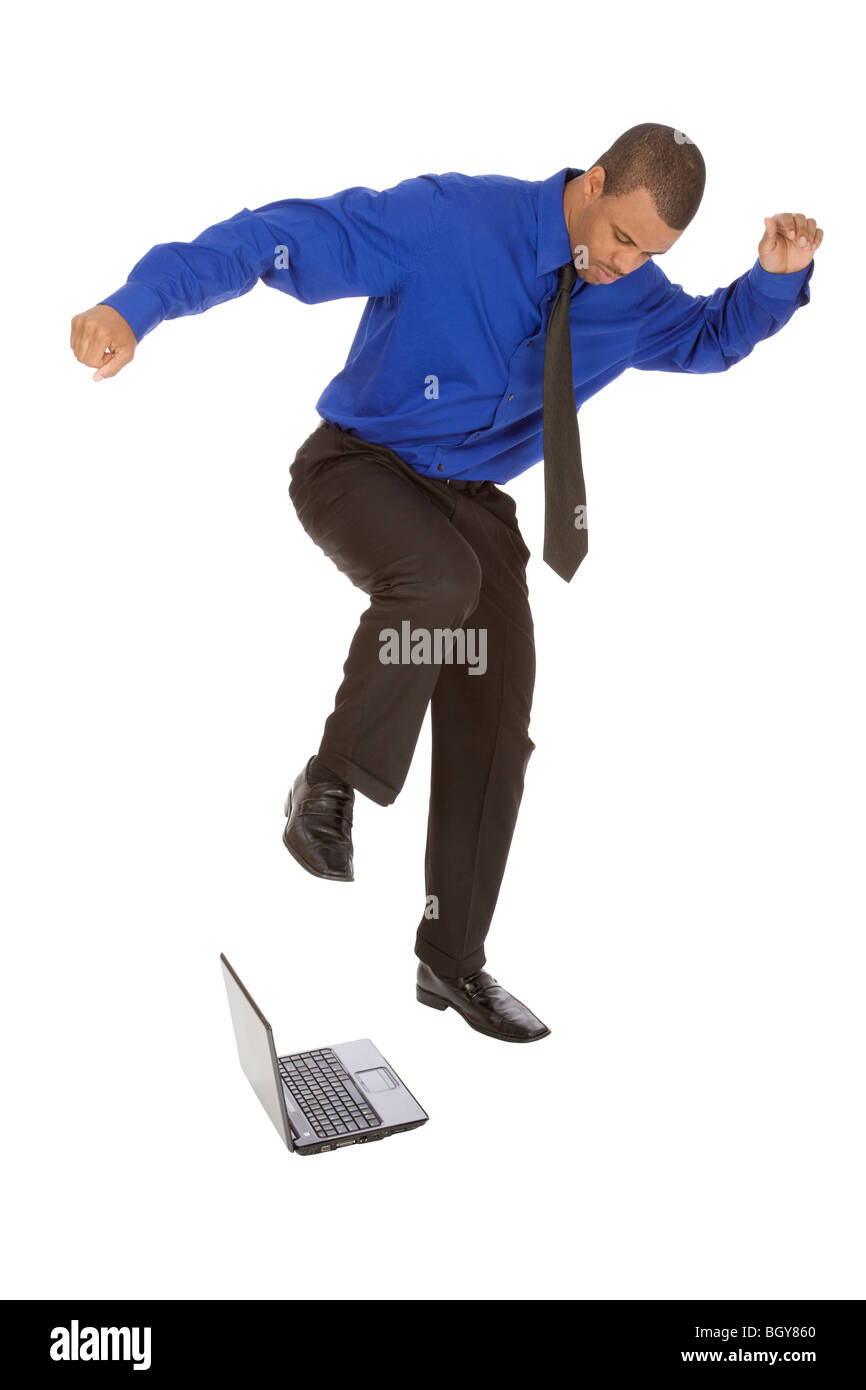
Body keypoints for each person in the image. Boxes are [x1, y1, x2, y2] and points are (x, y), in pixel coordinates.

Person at [70, 123, 822, 1044]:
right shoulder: (452, 220)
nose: (627, 265)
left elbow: (710, 337)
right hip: (359, 466)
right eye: (622, 238)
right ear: (592, 184)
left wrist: (776, 280)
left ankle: (450, 959)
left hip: (468, 501)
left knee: (497, 717)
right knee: (440, 580)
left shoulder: (634, 293)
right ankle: (329, 784)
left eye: (651, 253)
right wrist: (135, 306)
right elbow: (276, 234)